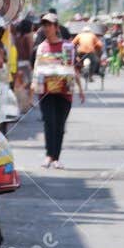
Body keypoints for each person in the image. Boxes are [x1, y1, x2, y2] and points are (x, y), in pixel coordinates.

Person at [32, 12, 84, 168]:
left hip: (64, 91)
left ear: (56, 27)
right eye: (44, 25)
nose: (46, 28)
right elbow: (37, 68)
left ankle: (56, 157)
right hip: (46, 91)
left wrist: (80, 89)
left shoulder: (68, 46)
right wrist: (33, 84)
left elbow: (72, 68)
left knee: (60, 125)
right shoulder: (41, 47)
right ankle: (49, 155)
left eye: (49, 25)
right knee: (49, 122)